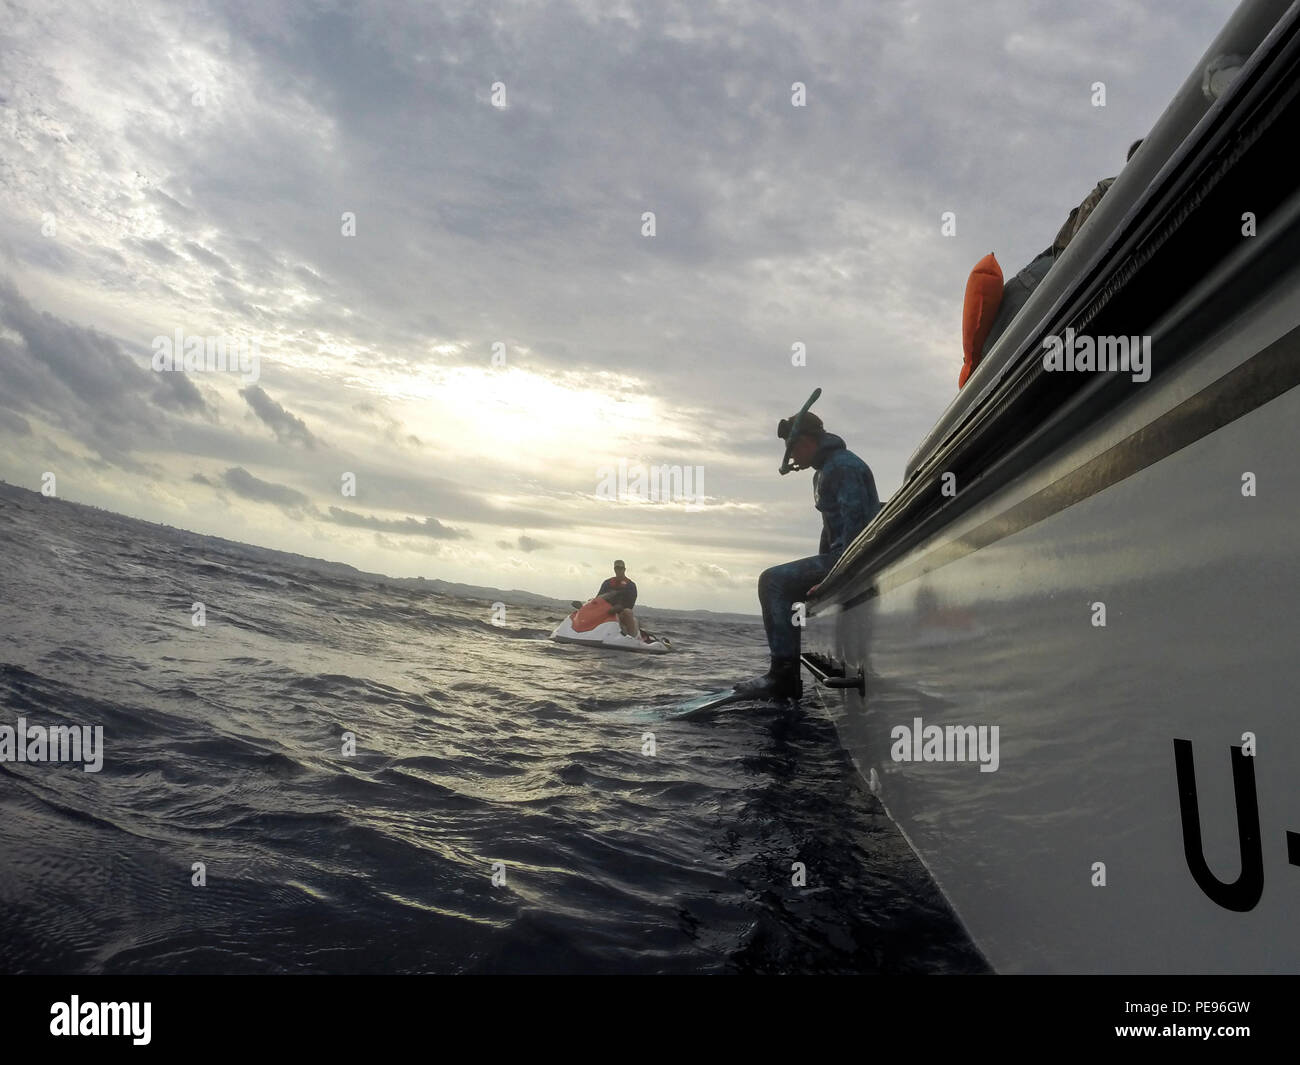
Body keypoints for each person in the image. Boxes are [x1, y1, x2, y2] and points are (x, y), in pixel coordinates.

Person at [736, 410, 882, 700]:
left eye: (791, 449)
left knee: (772, 581)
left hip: (857, 559)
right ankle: (785, 674)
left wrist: (834, 576)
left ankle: (783, 677)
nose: (791, 457)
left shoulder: (842, 466)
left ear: (805, 441)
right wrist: (822, 576)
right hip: (842, 559)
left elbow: (855, 526)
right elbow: (831, 529)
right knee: (782, 583)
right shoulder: (824, 471)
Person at [980, 139, 1144, 359]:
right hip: (1034, 295)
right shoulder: (1114, 191)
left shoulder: (1122, 193)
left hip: (1042, 295)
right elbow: (1080, 257)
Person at [596, 560, 646, 642]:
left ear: (624, 569)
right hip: (606, 611)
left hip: (621, 613)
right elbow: (598, 598)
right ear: (614, 569)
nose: (619, 570)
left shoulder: (630, 585)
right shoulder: (607, 583)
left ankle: (632, 638)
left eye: (621, 568)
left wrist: (619, 608)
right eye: (617, 568)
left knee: (628, 612)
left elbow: (630, 604)